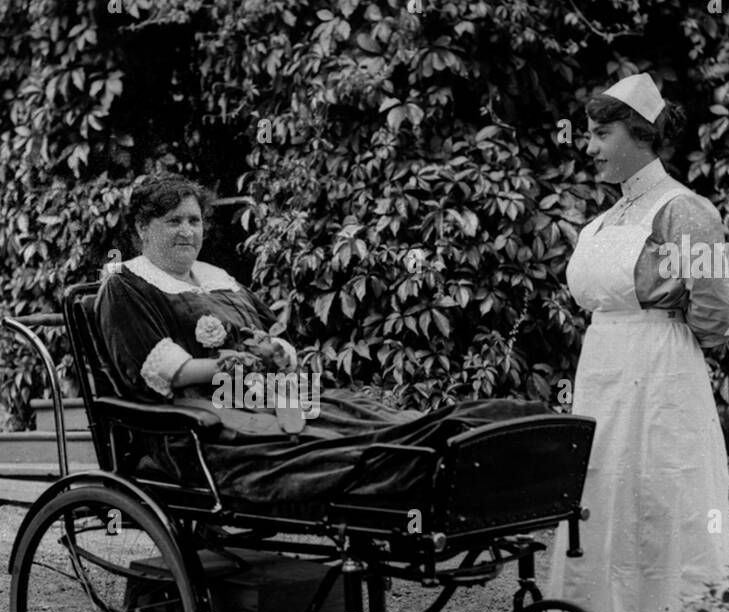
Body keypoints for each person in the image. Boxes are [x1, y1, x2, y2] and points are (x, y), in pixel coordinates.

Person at [96, 173, 545, 509]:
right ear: (142, 228)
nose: (188, 232)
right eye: (173, 221)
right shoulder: (128, 286)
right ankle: (442, 450)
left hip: (271, 397)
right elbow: (169, 372)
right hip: (199, 426)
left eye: (194, 220)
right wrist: (240, 368)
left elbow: (275, 340)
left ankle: (484, 433)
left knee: (363, 414)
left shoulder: (219, 281)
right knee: (342, 443)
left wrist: (276, 354)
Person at [545, 73, 729, 612]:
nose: (591, 146)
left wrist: (672, 350)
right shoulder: (605, 221)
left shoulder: (685, 211)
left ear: (639, 134)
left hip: (661, 374)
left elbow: (715, 307)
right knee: (603, 497)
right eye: (590, 133)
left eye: (601, 133)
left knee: (662, 498)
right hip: (603, 370)